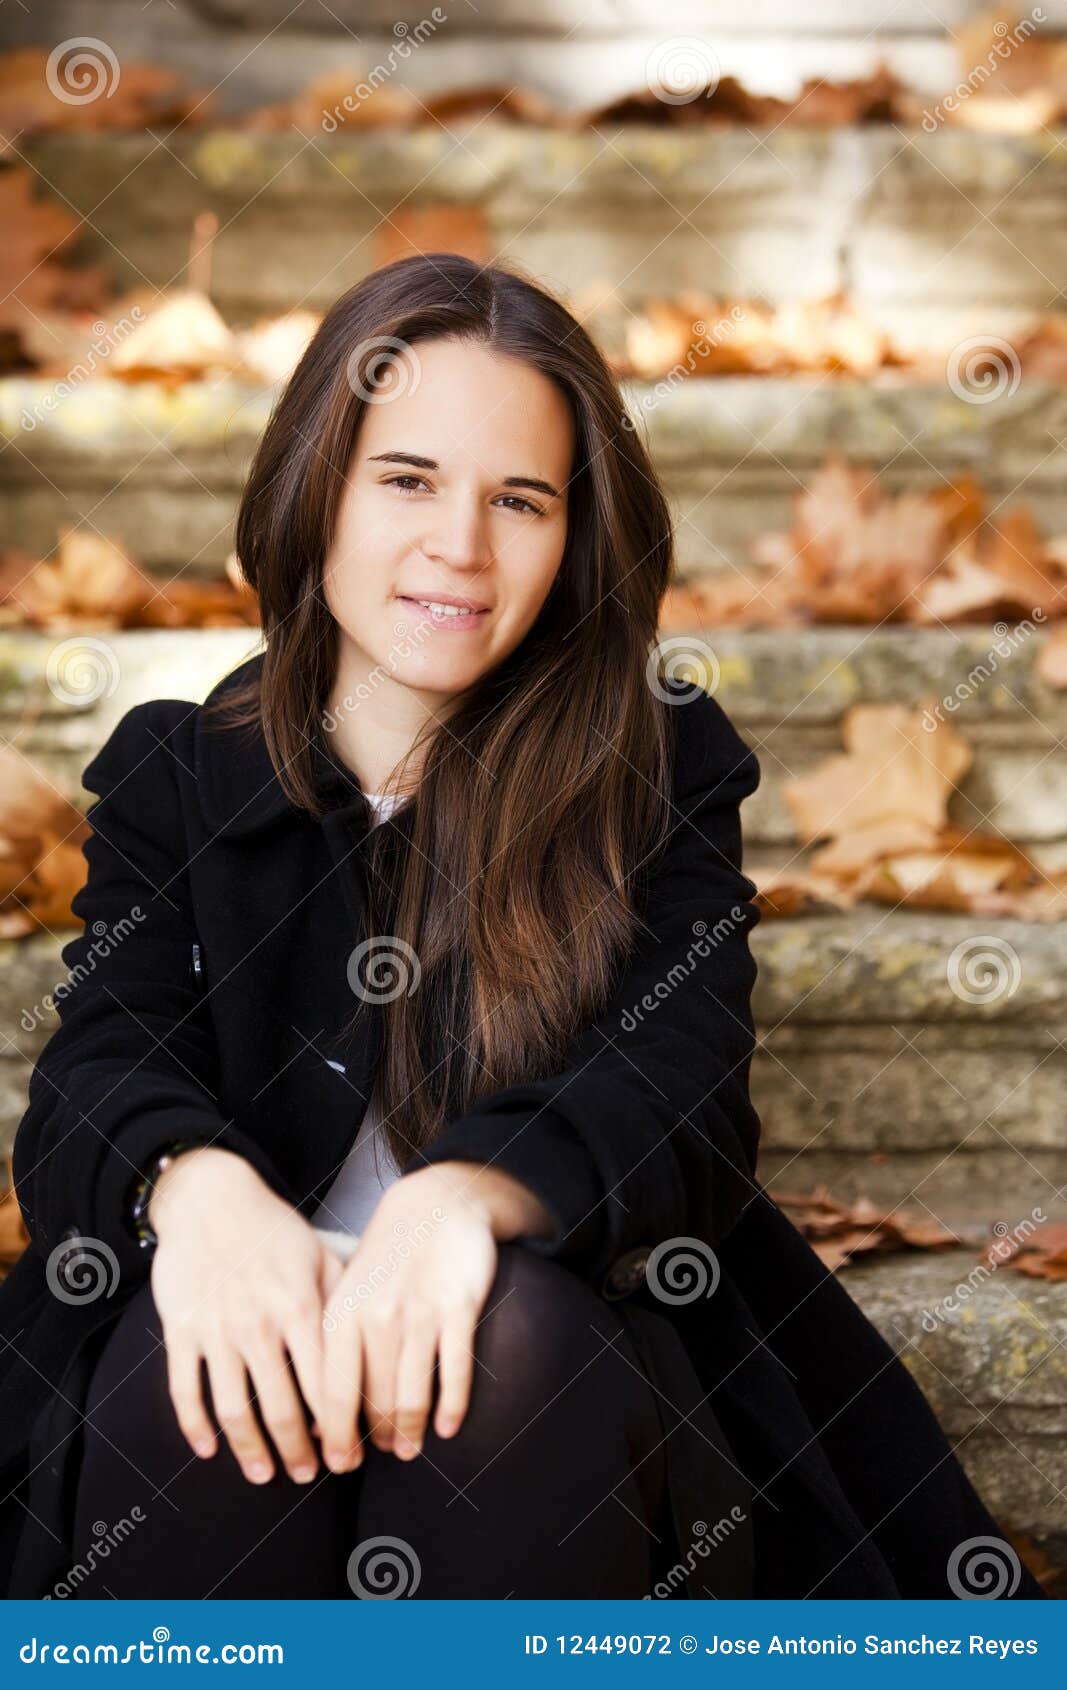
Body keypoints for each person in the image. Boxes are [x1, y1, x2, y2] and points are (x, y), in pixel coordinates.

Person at [0, 255, 1043, 1602]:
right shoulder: (183, 770)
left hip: (557, 1355)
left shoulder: (656, 769)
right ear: (316, 485)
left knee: (514, 1346)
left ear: (574, 537)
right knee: (188, 1361)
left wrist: (465, 1195)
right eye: (409, 479)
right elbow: (97, 1060)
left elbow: (682, 1084)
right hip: (226, 1342)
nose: (462, 548)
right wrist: (194, 1188)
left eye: (521, 500)